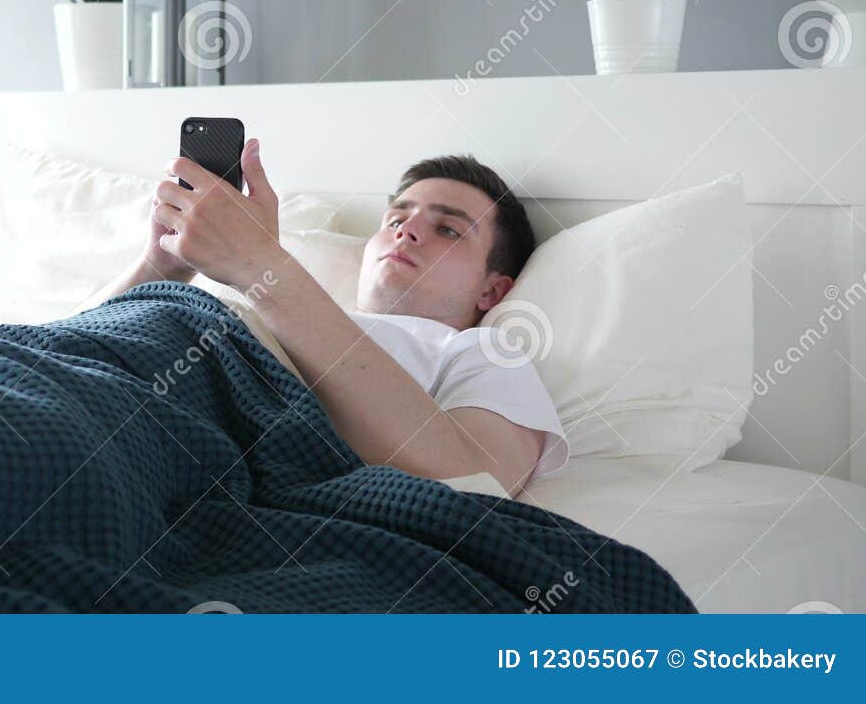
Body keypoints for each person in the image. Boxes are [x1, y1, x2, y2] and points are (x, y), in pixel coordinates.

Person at [88, 141, 567, 499]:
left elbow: (474, 481)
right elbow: (72, 342)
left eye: (447, 228)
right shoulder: (285, 305)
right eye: (395, 218)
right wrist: (162, 267)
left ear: (493, 290)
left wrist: (260, 263)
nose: (407, 229)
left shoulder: (480, 352)